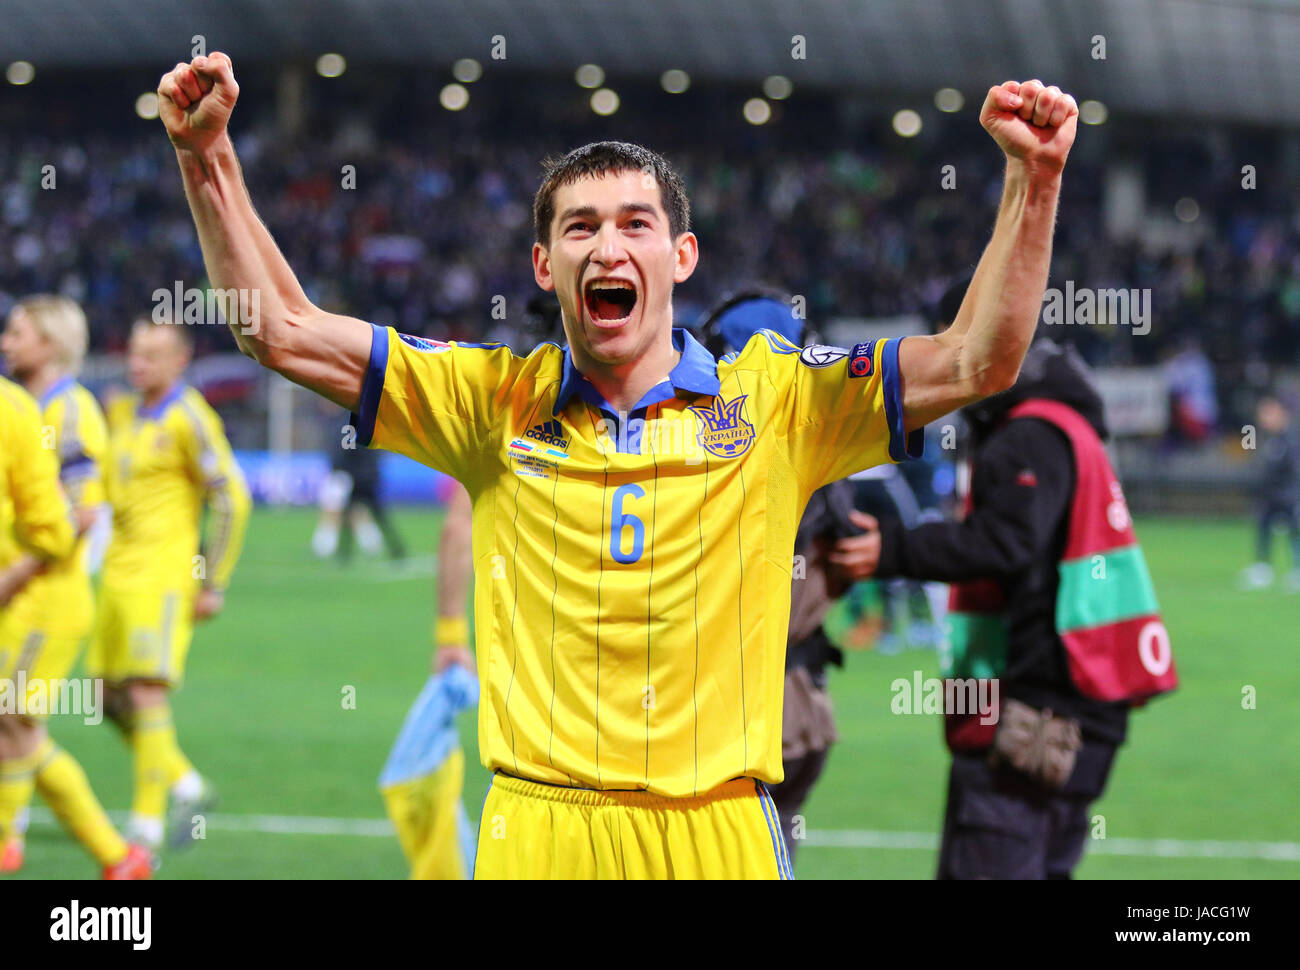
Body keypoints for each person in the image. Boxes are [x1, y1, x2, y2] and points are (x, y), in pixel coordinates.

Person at [158, 50, 1077, 878]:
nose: (607, 245)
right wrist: (210, 160)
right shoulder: (489, 401)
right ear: (543, 263)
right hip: (540, 830)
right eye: (580, 227)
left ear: (679, 256)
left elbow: (976, 359)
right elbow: (277, 327)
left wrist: (1033, 181)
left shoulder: (780, 401)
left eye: (636, 224)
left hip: (718, 832)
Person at [831, 339, 1177, 879]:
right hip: (1083, 699)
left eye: (949, 335)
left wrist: (893, 549)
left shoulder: (1028, 434)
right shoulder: (1065, 423)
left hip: (1037, 713)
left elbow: (1004, 542)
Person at [0, 296, 152, 878]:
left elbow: (84, 512)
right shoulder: (28, 406)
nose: (7, 339)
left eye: (19, 331)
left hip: (44, 595)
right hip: (23, 592)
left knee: (12, 721)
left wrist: (17, 573)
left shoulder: (68, 412)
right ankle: (118, 857)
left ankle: (15, 841)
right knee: (19, 729)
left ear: (51, 343)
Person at [88, 317, 250, 852]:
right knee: (104, 697)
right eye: (134, 353)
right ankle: (186, 783)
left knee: (145, 692)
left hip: (162, 577)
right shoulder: (126, 415)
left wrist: (214, 579)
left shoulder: (191, 418)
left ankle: (145, 826)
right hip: (115, 574)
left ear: (179, 361)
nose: (138, 364)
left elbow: (231, 497)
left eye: (151, 355)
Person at [379, 481, 477, 879]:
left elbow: (459, 527)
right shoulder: (685, 436)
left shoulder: (518, 424)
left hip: (529, 667)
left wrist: (451, 634)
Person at [1238, 395, 1300, 591]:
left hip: (1288, 494)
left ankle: (1297, 570)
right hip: (1268, 494)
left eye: (1269, 412)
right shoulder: (1257, 436)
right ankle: (1262, 567)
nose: (1265, 417)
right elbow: (1252, 462)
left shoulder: (1291, 437)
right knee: (1263, 528)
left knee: (1294, 531)